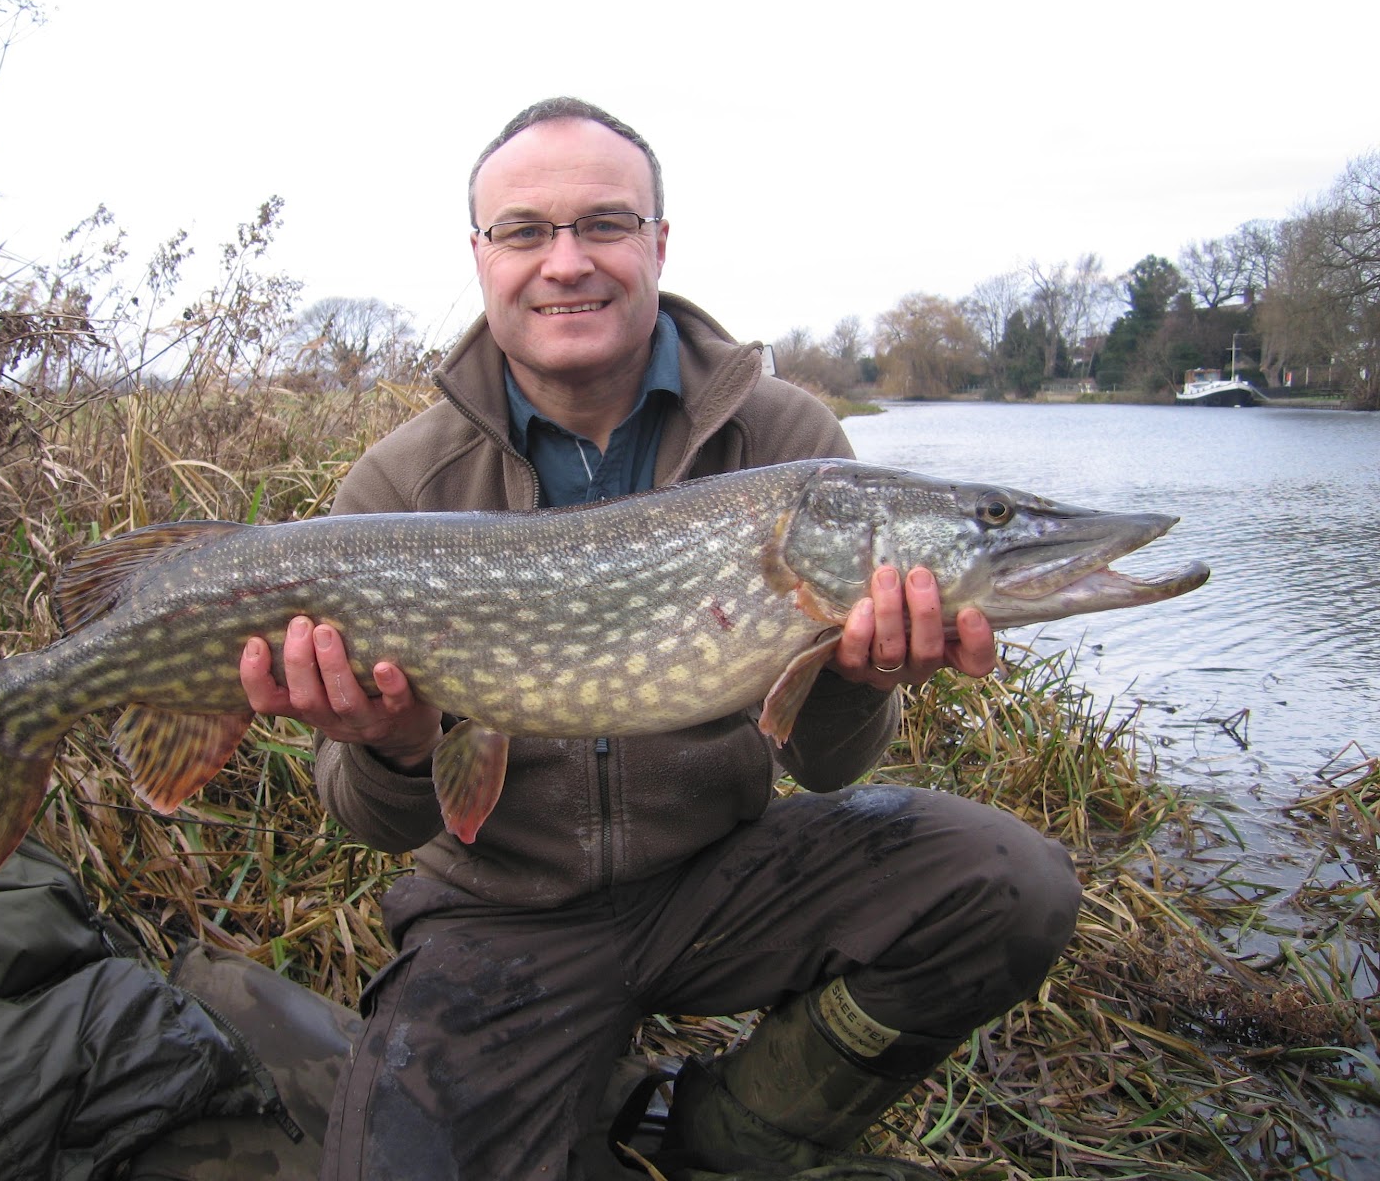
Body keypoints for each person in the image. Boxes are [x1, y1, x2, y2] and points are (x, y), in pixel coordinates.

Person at [239, 98, 1082, 1180]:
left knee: (1008, 881)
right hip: (502, 920)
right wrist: (398, 745)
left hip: (722, 880)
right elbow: (372, 822)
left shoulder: (787, 446)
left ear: (657, 243)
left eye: (604, 224)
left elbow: (828, 765)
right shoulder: (400, 486)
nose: (567, 262)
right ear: (480, 257)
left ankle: (726, 1134)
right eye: (526, 231)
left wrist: (856, 677)